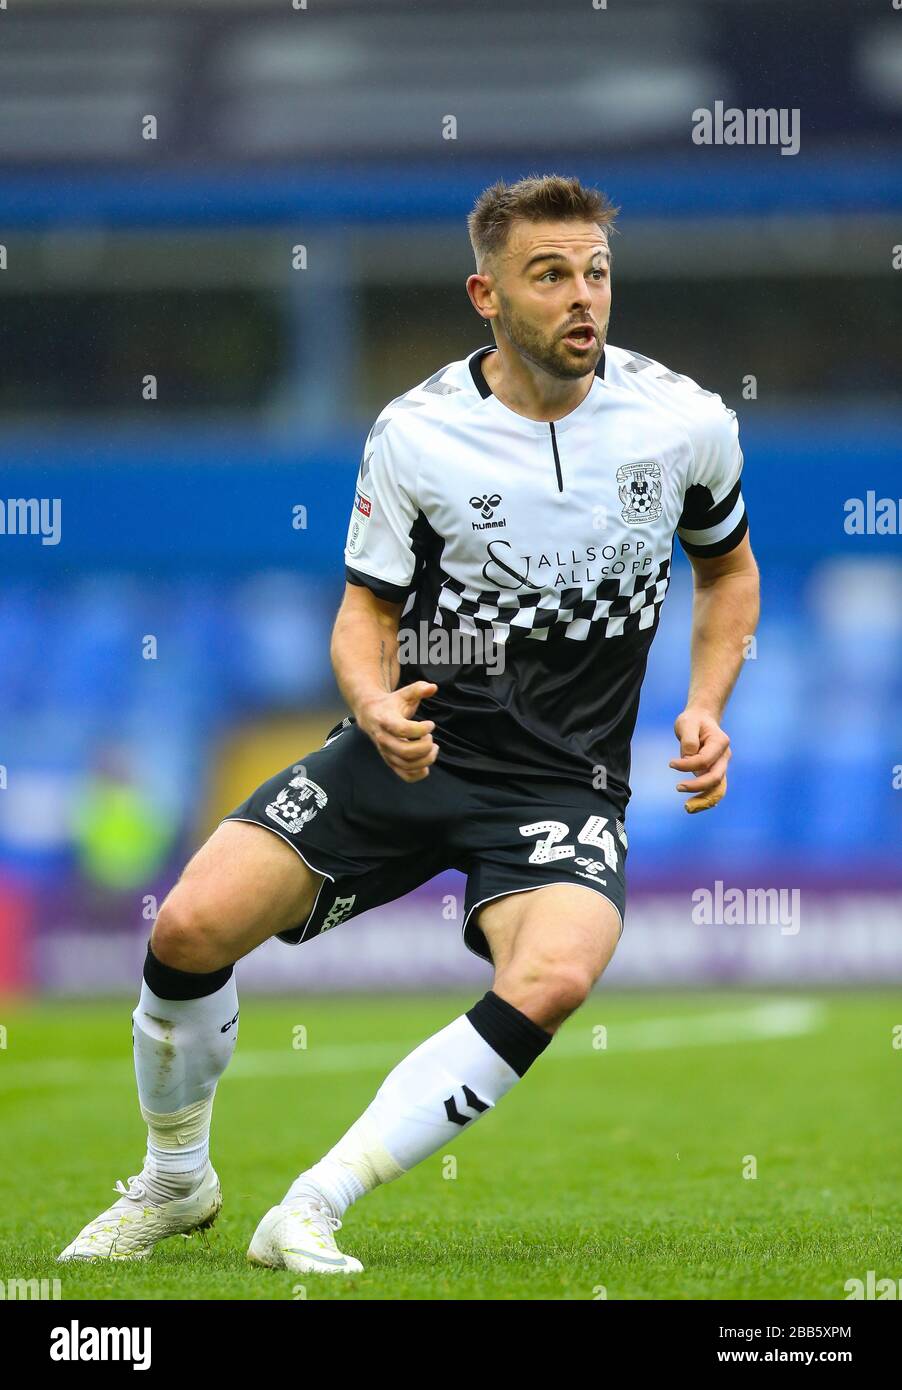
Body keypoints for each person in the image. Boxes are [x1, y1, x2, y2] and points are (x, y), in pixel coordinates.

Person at [59, 173, 759, 1273]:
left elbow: (726, 573)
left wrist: (705, 705)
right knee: (188, 928)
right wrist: (373, 702)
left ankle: (313, 1202)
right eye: (549, 276)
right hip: (416, 740)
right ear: (485, 294)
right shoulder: (418, 433)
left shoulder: (683, 422)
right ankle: (173, 1177)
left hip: (558, 780)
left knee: (559, 968)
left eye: (595, 273)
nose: (582, 298)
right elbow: (363, 612)